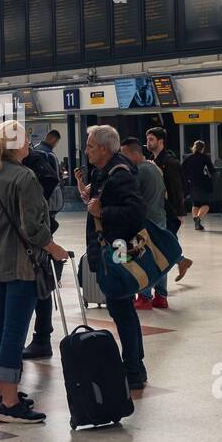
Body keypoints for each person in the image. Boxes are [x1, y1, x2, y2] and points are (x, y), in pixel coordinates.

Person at [0, 121, 68, 422]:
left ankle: (6, 392)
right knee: (15, 331)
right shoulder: (24, 177)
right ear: (16, 145)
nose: (30, 143)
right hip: (20, 265)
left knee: (0, 329)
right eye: (27, 138)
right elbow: (33, 227)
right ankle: (10, 405)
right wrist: (55, 249)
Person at [78, 125, 148, 389]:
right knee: (123, 309)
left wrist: (102, 212)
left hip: (118, 249)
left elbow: (135, 212)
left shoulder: (120, 174)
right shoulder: (104, 172)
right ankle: (134, 366)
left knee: (121, 308)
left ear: (105, 149)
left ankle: (132, 369)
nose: (87, 151)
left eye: (91, 146)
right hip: (110, 248)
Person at [22, 131, 63, 358]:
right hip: (31, 233)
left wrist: (36, 206)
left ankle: (42, 337)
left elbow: (49, 181)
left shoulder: (35, 160)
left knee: (41, 285)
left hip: (36, 235)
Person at [123, 137, 170, 311]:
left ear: (134, 154)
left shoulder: (139, 171)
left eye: (125, 154)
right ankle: (161, 296)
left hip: (144, 223)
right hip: (159, 218)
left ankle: (144, 296)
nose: (123, 158)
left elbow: (129, 196)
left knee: (142, 258)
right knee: (160, 258)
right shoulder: (154, 168)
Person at [145, 127, 187, 234]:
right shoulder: (151, 160)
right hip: (157, 209)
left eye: (151, 139)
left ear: (160, 141)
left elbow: (177, 187)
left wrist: (179, 212)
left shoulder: (169, 162)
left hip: (168, 211)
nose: (148, 142)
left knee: (168, 241)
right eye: (147, 139)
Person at [180, 139, 214, 230]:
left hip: (192, 184)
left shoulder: (188, 157)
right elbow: (212, 170)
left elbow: (182, 170)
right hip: (203, 184)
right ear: (202, 148)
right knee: (206, 204)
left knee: (195, 204)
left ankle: (196, 221)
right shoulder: (205, 157)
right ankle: (198, 219)